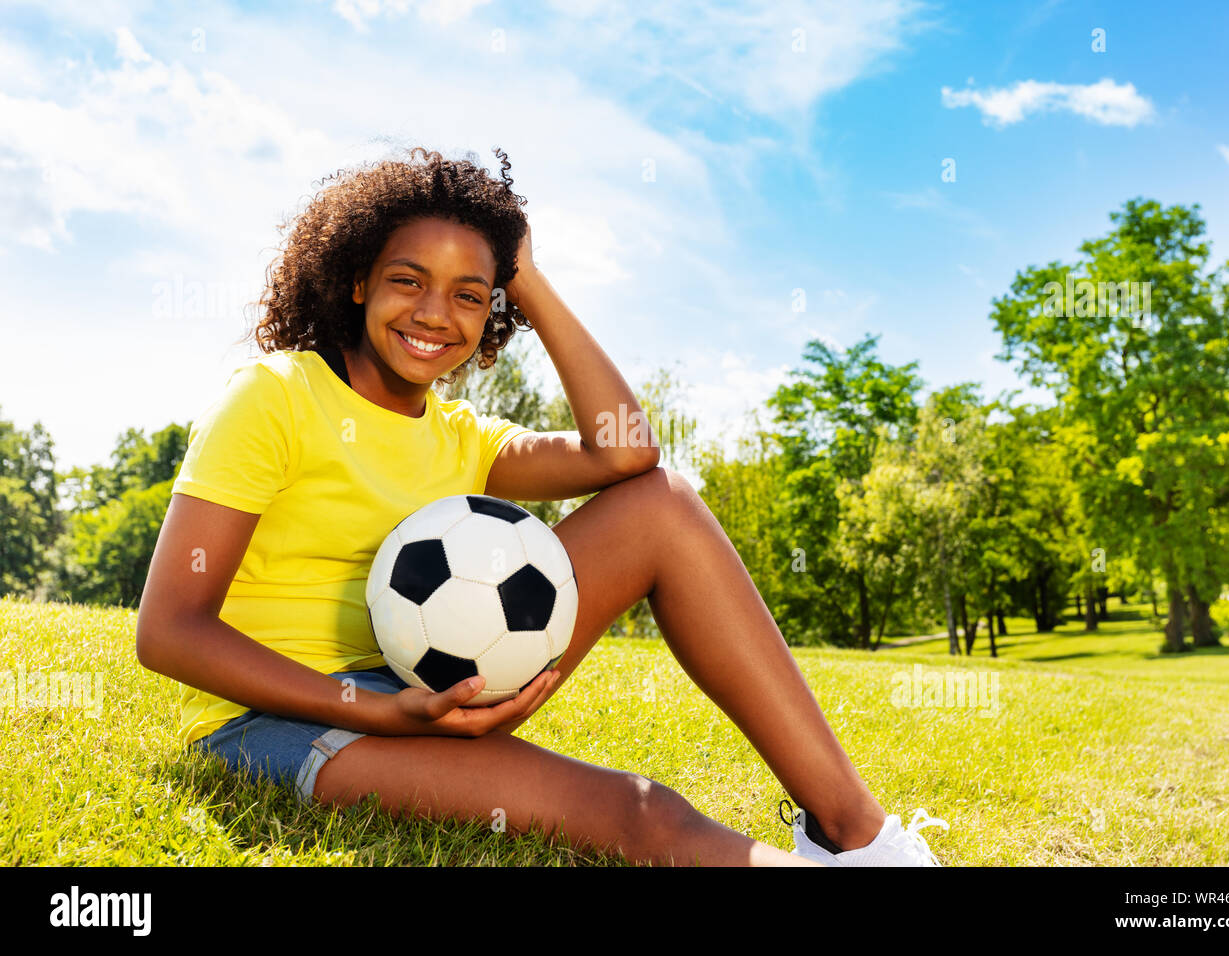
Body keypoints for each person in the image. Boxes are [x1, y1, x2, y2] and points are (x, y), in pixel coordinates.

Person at [136, 146, 948, 867]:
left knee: (660, 503)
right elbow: (168, 632)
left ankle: (858, 834)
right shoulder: (276, 396)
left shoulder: (461, 435)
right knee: (646, 817)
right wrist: (381, 712)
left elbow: (625, 451)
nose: (433, 314)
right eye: (407, 281)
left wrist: (526, 275)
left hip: (426, 685)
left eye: (469, 293)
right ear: (356, 281)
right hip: (276, 722)